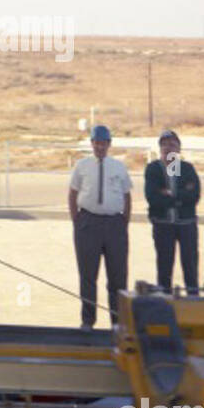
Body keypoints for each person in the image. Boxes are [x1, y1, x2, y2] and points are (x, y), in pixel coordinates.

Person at [68, 125, 131, 331]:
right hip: (88, 223)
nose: (99, 146)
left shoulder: (118, 167)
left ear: (109, 144)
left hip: (114, 225)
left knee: (117, 277)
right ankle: (88, 320)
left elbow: (127, 195)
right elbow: (73, 192)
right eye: (96, 142)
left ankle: (117, 322)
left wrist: (124, 221)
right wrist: (76, 219)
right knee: (88, 276)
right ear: (92, 144)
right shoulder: (82, 165)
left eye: (103, 143)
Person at [144, 130, 200, 294]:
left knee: (190, 266)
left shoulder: (187, 168)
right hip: (163, 225)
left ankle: (193, 302)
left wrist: (170, 196)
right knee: (164, 267)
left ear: (179, 148)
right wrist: (178, 198)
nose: (169, 148)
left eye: (173, 144)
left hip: (186, 225)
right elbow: (153, 197)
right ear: (160, 148)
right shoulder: (154, 169)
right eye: (165, 144)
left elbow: (193, 196)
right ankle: (165, 305)